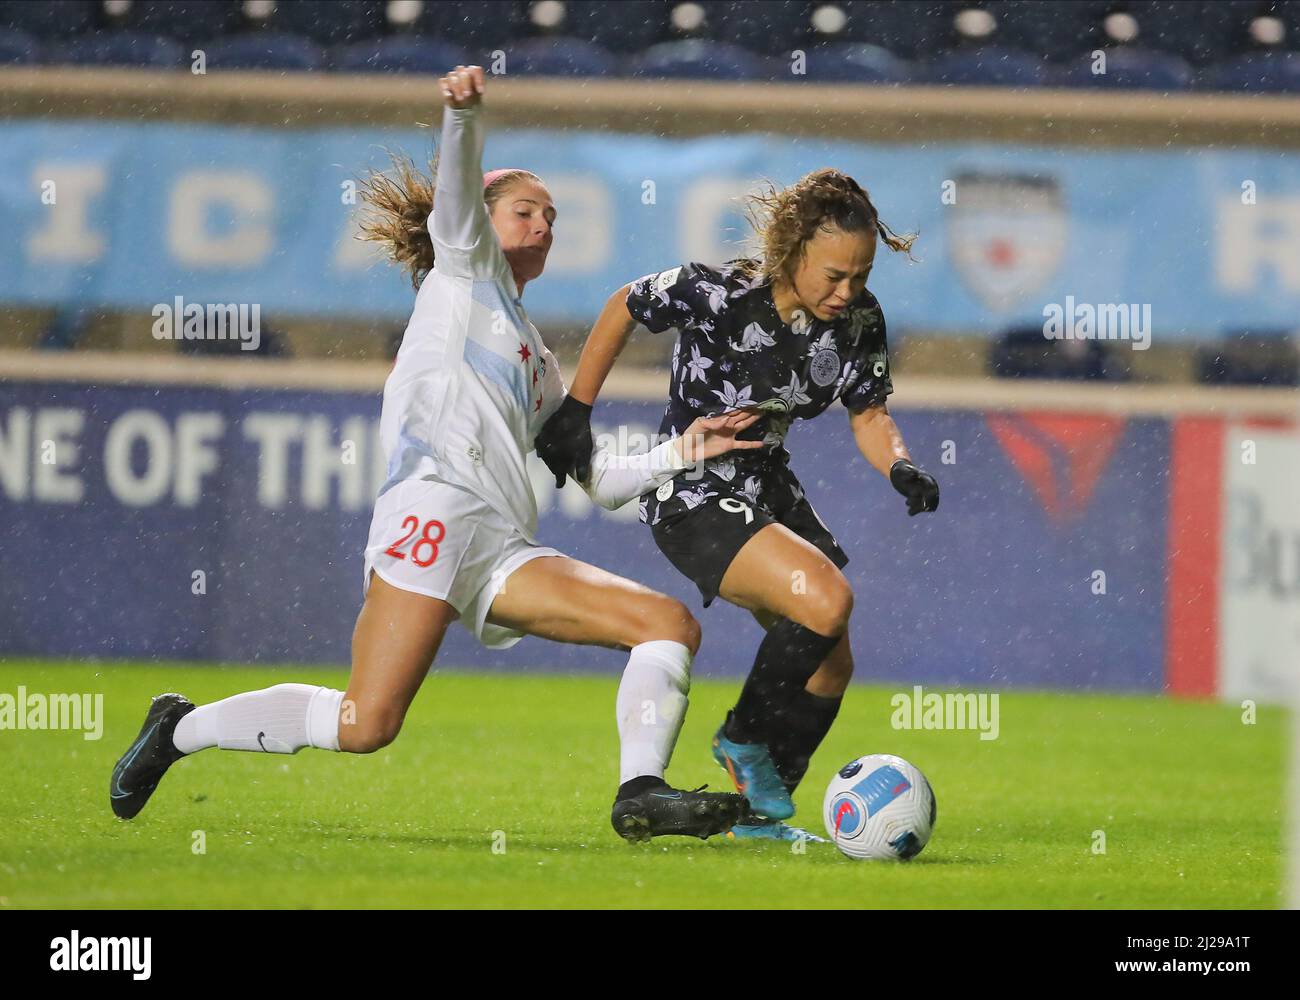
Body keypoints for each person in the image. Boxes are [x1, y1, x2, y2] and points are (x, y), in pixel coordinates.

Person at [109, 65, 759, 844]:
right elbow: (456, 203)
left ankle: (640, 793)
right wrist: (463, 118)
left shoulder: (538, 361)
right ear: (483, 221)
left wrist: (685, 451)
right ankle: (179, 727)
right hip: (430, 513)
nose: (545, 225)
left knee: (666, 623)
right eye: (527, 210)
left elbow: (603, 482)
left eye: (553, 217)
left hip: (500, 548)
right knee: (365, 722)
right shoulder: (462, 276)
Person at [536, 167, 940, 840]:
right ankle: (742, 738)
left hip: (766, 484)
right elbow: (624, 305)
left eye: (861, 276)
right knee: (827, 599)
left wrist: (900, 464)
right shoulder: (716, 290)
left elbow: (869, 414)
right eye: (834, 275)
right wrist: (578, 409)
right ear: (790, 252)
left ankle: (756, 817)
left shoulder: (861, 321)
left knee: (833, 661)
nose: (848, 292)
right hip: (692, 486)